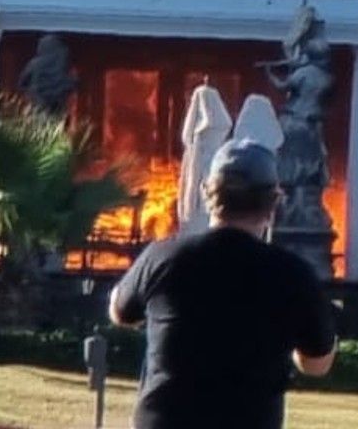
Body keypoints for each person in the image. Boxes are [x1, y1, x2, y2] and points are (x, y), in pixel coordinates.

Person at [108, 138, 335, 429]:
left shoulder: (163, 257)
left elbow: (120, 313)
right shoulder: (294, 275)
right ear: (272, 204)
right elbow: (317, 364)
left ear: (207, 194)